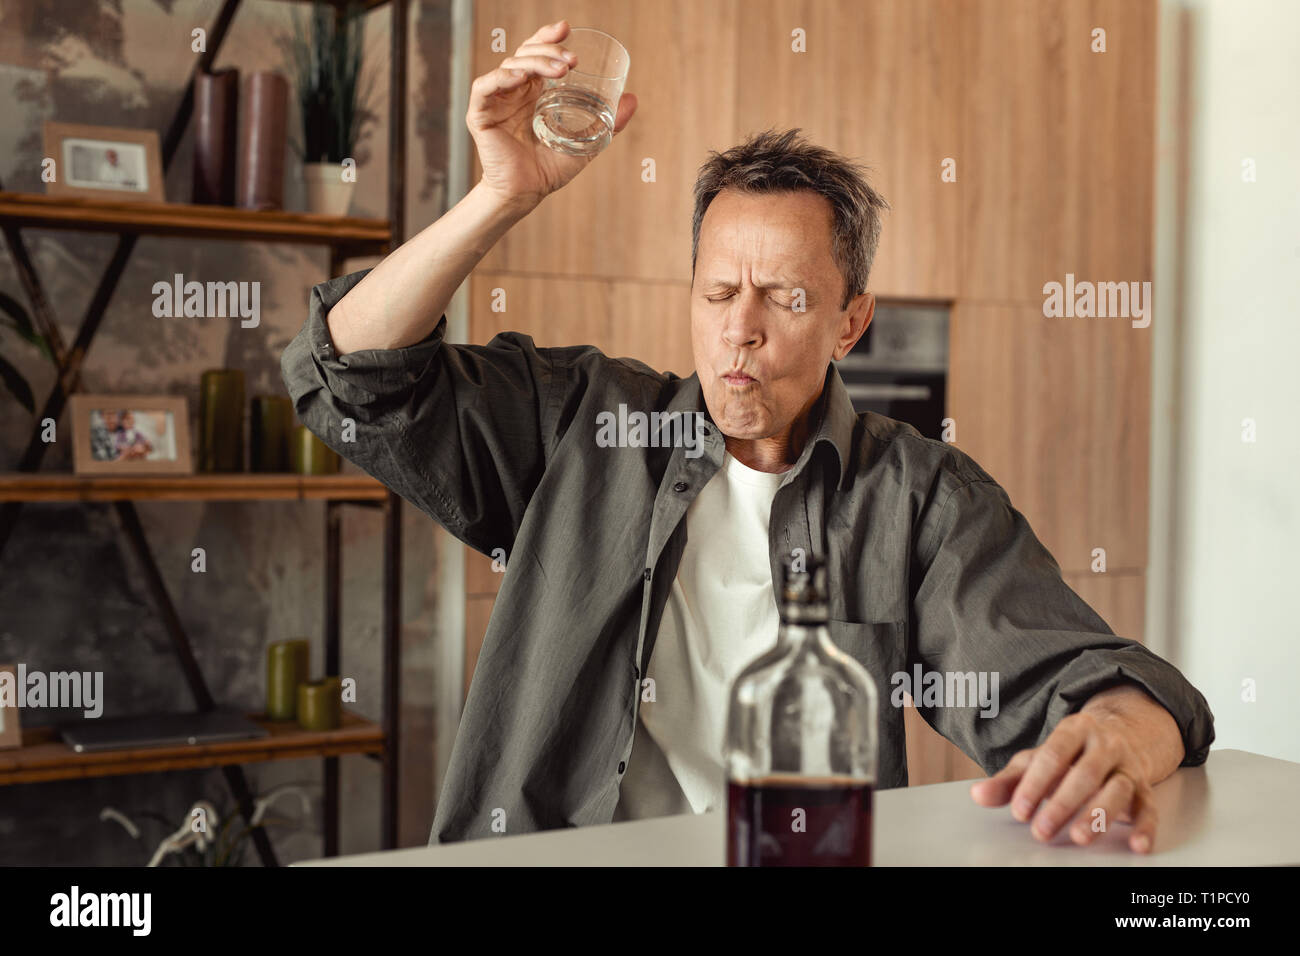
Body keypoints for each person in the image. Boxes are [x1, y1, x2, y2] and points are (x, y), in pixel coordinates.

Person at [281, 20, 1214, 852]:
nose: (740, 330)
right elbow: (347, 371)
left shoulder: (918, 499)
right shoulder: (579, 423)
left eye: (786, 299)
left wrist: (1127, 728)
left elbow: (1091, 681)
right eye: (718, 294)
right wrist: (500, 196)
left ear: (851, 324)